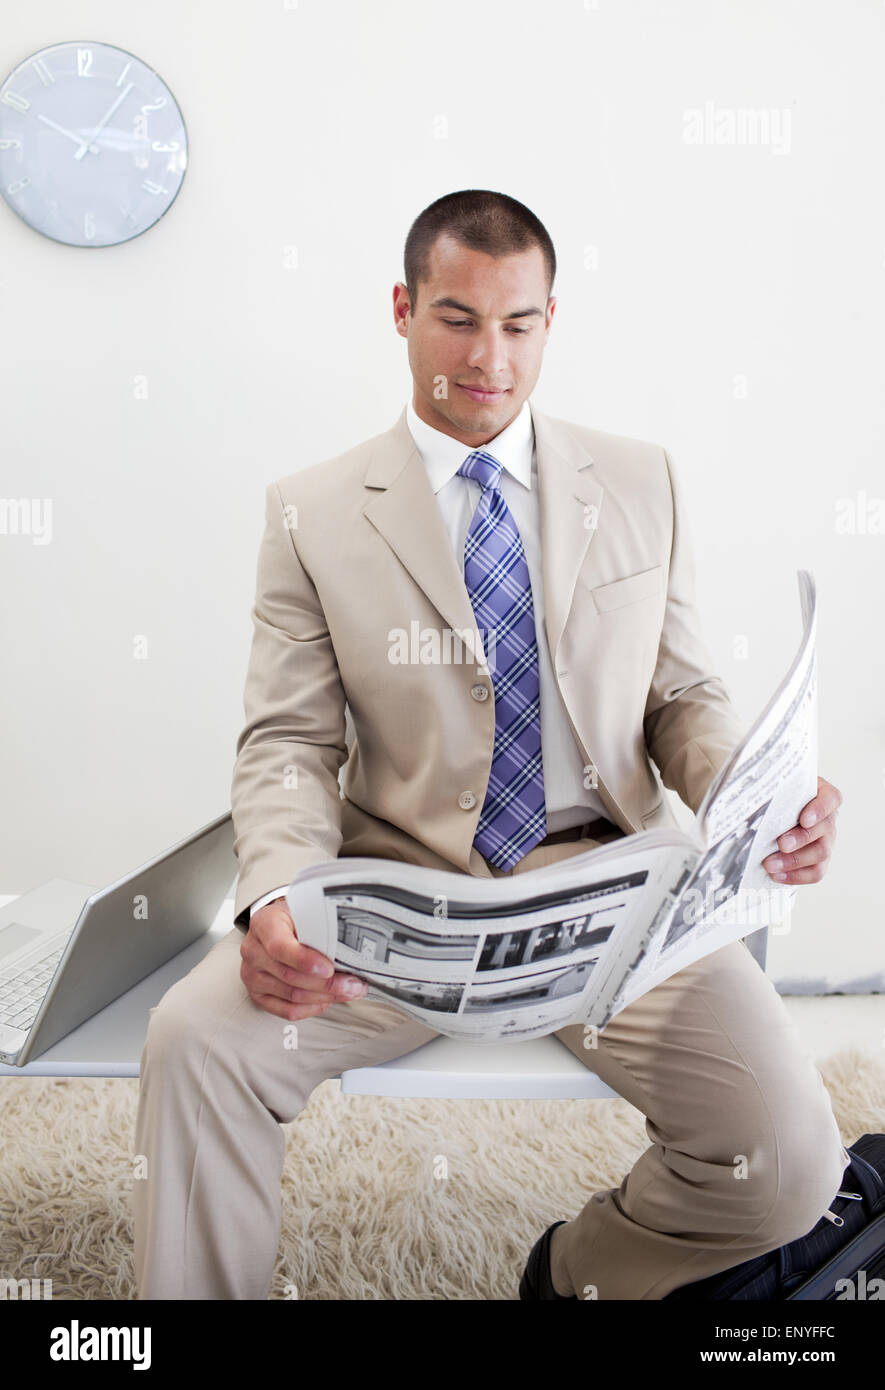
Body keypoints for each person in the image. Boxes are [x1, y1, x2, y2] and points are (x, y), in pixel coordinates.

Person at [133, 189, 846, 1301]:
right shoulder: (310, 511)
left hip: (609, 886)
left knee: (793, 1161)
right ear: (405, 310)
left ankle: (572, 1275)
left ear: (551, 319)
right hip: (395, 897)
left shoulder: (642, 479)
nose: (489, 357)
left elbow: (684, 696)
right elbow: (287, 742)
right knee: (193, 1040)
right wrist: (275, 891)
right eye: (459, 318)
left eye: (519, 324)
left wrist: (759, 796)